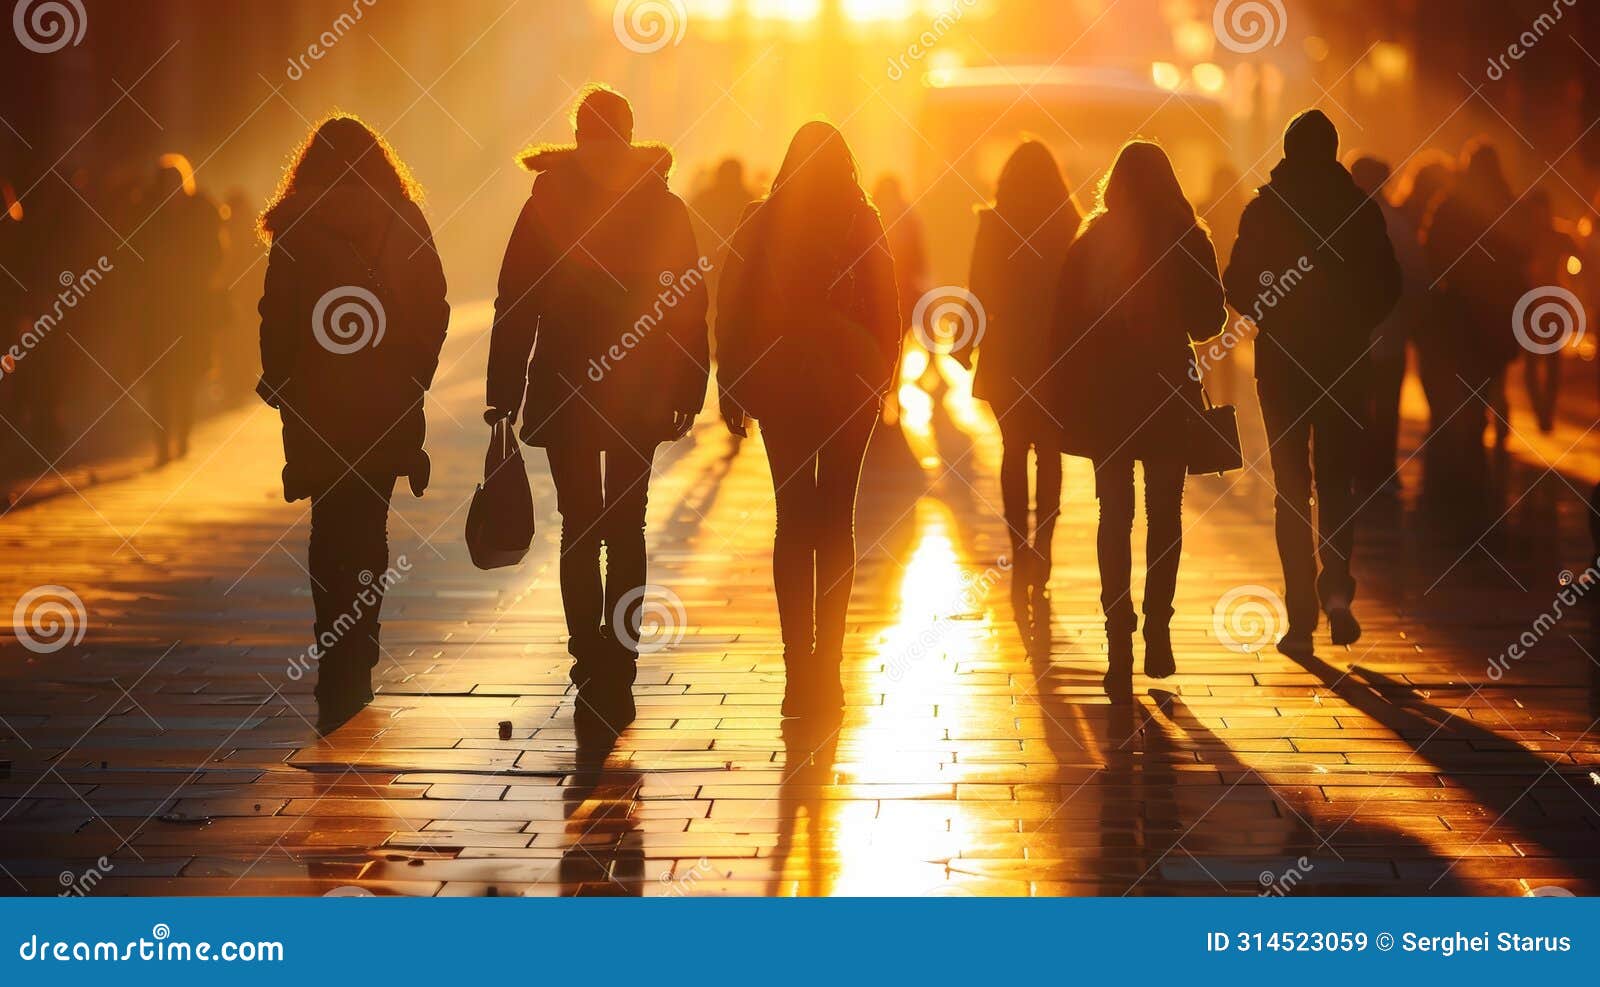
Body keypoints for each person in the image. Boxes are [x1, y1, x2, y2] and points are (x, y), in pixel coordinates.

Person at [486, 85, 710, 736]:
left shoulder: (546, 204)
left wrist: (502, 394)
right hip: (639, 393)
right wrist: (688, 389)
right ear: (630, 133)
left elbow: (515, 301)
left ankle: (588, 660)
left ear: (579, 137)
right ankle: (621, 663)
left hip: (564, 387)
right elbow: (688, 308)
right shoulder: (663, 207)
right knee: (625, 524)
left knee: (580, 524)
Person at [256, 114, 450, 732]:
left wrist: (281, 379)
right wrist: (416, 371)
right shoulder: (402, 218)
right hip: (386, 398)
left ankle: (332, 649)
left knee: (328, 526)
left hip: (318, 401)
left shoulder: (297, 226)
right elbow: (433, 303)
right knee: (368, 525)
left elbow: (276, 312)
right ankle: (360, 646)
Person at [716, 121, 901, 717]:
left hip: (781, 385)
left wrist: (733, 384)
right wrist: (881, 377)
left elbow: (734, 304)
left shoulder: (760, 220)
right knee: (836, 520)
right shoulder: (861, 219)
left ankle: (799, 669)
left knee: (793, 518)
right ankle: (830, 670)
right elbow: (887, 306)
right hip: (848, 388)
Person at [1049, 140, 1225, 698]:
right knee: (1165, 513)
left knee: (1114, 514)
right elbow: (1209, 321)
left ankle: (1117, 637)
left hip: (1108, 398)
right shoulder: (1188, 237)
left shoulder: (1092, 240)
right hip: (1167, 389)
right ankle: (1158, 627)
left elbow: (1064, 327)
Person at [1225, 110, 1400, 656]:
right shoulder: (1359, 211)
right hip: (1344, 365)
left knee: (1291, 488)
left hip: (1282, 368)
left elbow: (1235, 283)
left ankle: (1299, 605)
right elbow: (1388, 283)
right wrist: (1353, 323)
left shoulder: (1265, 210)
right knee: (1337, 482)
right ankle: (1337, 588)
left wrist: (1269, 314)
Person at [955, 139, 1080, 648]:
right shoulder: (1068, 224)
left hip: (1008, 355)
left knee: (1013, 453)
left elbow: (976, 287)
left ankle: (1020, 549)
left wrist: (964, 343)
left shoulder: (993, 223)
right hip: (1054, 358)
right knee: (1050, 455)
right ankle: (1043, 550)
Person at [1423, 139, 1528, 505]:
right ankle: (1475, 454)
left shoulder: (1451, 207)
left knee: (1461, 391)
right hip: (1494, 318)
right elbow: (1521, 259)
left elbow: (1433, 256)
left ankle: (1463, 461)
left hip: (1460, 318)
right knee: (1483, 387)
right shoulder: (1508, 207)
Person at [1349, 155, 1426, 496]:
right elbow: (1417, 276)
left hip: (1350, 336)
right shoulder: (1396, 224)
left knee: (1355, 401)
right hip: (1391, 332)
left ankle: (1360, 466)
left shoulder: (1339, 221)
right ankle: (1383, 468)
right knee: (1387, 402)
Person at [140, 155, 224, 465]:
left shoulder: (202, 212)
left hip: (190, 308)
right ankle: (162, 442)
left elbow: (215, 255)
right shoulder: (147, 215)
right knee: (160, 378)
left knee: (186, 376)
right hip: (158, 311)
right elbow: (132, 260)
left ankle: (183, 434)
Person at [1513, 187, 1578, 434]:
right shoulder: (1523, 238)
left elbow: (1578, 256)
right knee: (1530, 363)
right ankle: (1539, 408)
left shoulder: (1558, 236)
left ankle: (1547, 411)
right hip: (1529, 305)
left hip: (1554, 304)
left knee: (1552, 361)